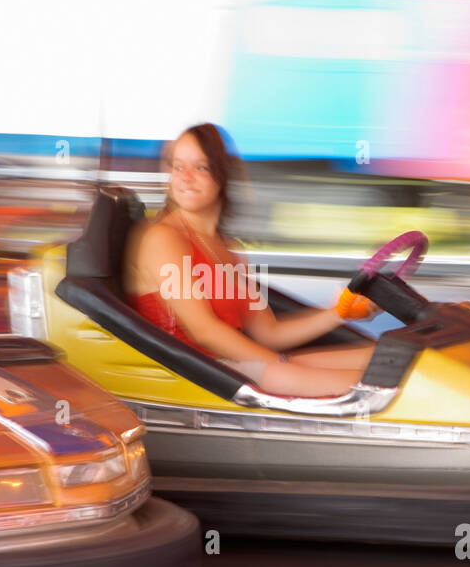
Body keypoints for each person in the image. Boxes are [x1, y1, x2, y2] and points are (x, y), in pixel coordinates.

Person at [123, 123, 376, 398]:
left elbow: (269, 333)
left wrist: (338, 313)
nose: (185, 178)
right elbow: (203, 331)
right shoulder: (163, 237)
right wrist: (278, 362)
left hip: (237, 366)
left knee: (382, 360)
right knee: (376, 387)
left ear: (223, 175)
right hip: (203, 376)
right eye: (178, 166)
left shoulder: (227, 249)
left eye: (201, 167)